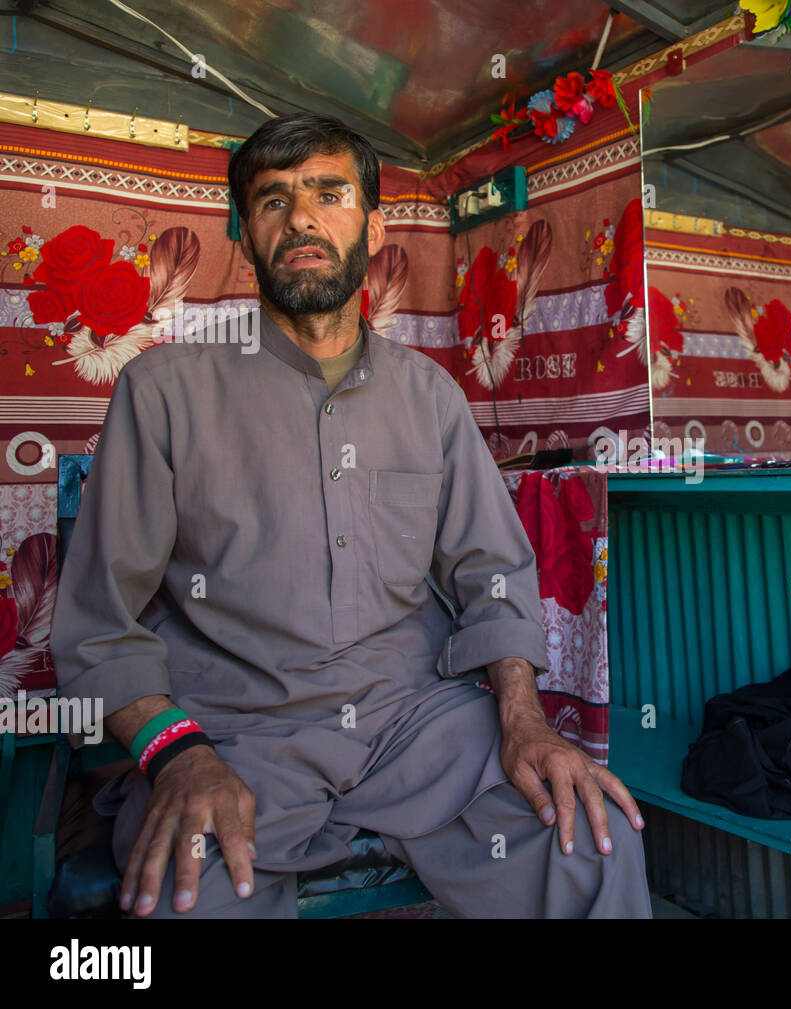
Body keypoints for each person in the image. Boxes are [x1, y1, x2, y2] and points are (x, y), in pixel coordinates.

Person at [50, 113, 652, 919]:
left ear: (370, 223)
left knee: (593, 839)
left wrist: (523, 718)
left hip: (418, 725)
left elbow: (493, 572)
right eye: (272, 200)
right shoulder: (163, 393)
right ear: (246, 234)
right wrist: (174, 752)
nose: (300, 218)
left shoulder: (429, 395)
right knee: (187, 895)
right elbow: (97, 626)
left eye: (328, 193)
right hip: (236, 734)